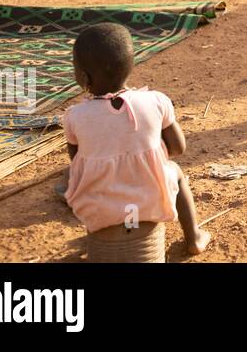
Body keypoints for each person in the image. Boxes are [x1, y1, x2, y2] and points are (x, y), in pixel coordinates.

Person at [63, 23, 210, 256]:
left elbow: (78, 161)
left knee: (72, 181)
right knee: (175, 171)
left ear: (83, 76)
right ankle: (194, 237)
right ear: (130, 66)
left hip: (100, 207)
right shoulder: (156, 101)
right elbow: (178, 148)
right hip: (150, 202)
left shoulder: (74, 116)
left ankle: (107, 223)